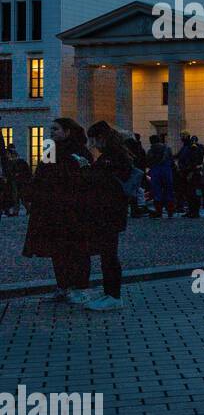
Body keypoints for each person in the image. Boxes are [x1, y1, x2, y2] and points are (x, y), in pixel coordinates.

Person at [22, 118, 94, 304]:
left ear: (67, 131)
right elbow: (41, 174)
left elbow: (85, 178)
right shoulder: (50, 149)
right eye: (51, 129)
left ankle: (80, 287)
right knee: (58, 250)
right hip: (52, 209)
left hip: (74, 209)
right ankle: (63, 285)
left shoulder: (79, 151)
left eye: (55, 129)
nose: (51, 132)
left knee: (78, 249)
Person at [82, 121, 134, 310]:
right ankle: (109, 293)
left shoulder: (114, 157)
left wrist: (87, 169)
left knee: (109, 255)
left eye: (94, 139)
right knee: (107, 254)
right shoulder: (114, 155)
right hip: (109, 211)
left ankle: (113, 295)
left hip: (109, 212)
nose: (92, 144)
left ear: (102, 137)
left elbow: (105, 182)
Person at [146, 134, 175, 218]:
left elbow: (148, 161)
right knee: (169, 191)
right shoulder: (167, 148)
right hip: (167, 170)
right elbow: (172, 160)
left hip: (155, 171)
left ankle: (159, 212)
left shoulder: (151, 150)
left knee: (157, 192)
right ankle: (170, 212)